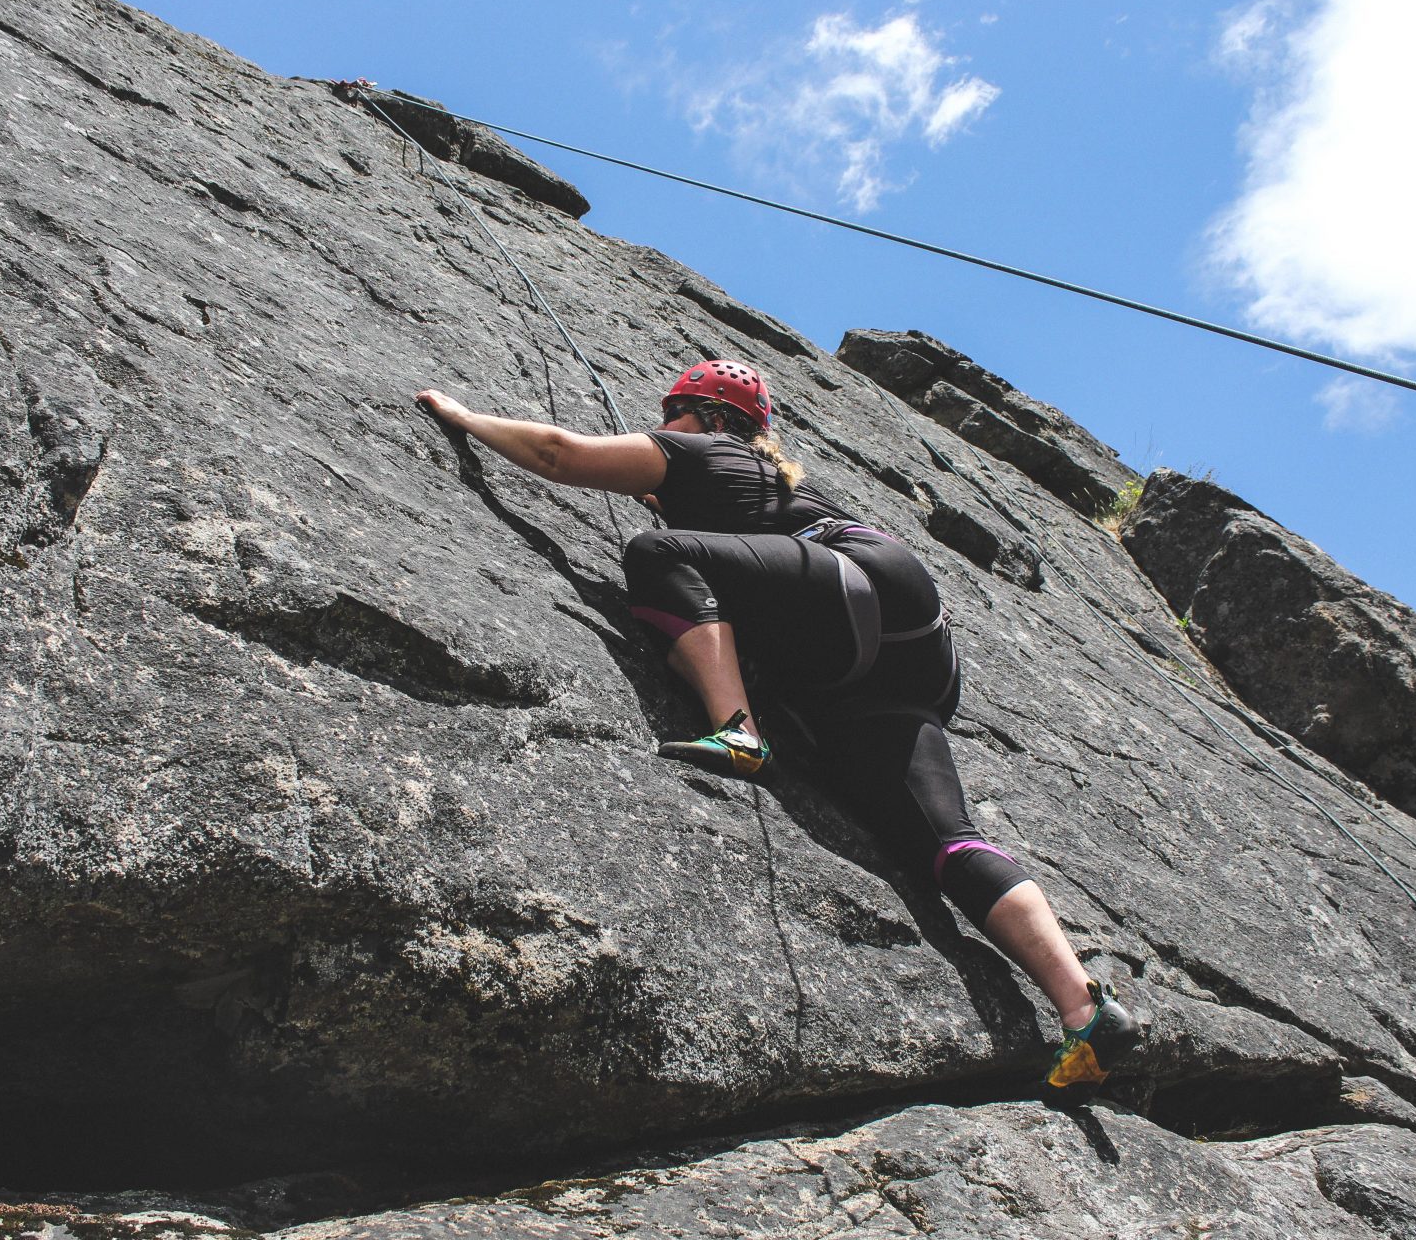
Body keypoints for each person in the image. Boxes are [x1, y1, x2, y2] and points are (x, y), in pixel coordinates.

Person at [415, 359, 1140, 1092]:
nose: (661, 431)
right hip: (900, 666)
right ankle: (1086, 1013)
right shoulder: (765, 484)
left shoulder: (712, 452)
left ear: (712, 418)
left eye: (672, 416)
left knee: (656, 551)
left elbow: (558, 454)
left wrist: (463, 416)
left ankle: (736, 730)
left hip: (856, 586)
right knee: (947, 846)